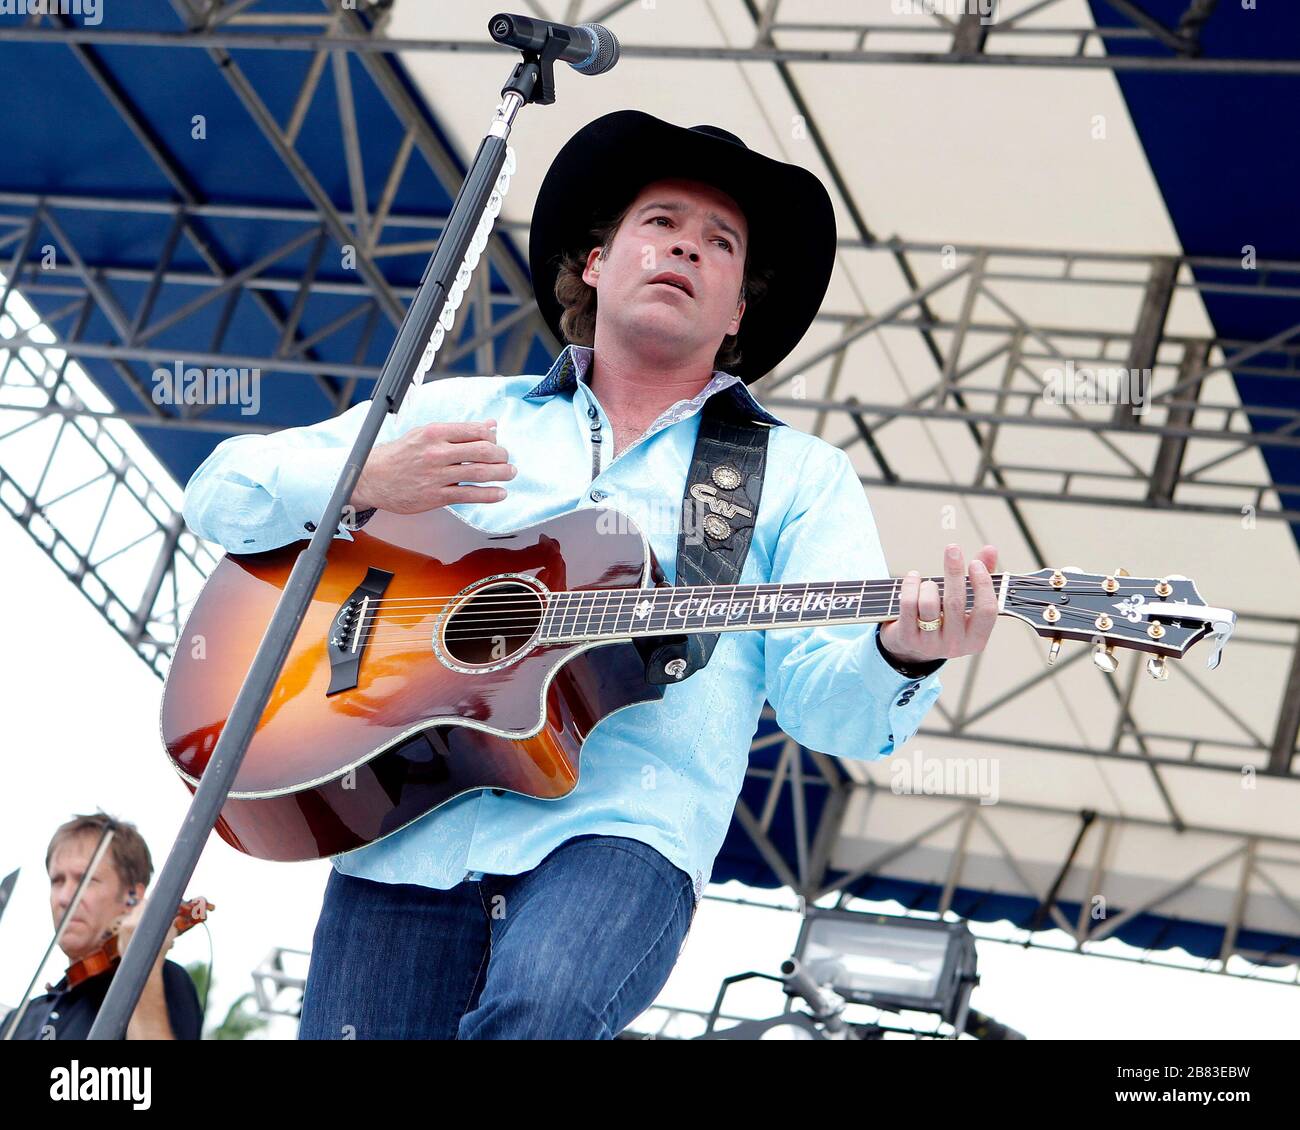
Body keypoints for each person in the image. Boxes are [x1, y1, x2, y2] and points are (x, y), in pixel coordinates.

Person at [182, 110, 999, 1040]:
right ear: (596, 264)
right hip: (405, 832)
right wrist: (361, 480)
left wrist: (902, 652)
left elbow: (828, 710)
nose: (686, 248)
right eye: (661, 224)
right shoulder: (465, 411)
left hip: (620, 832)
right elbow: (222, 492)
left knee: (548, 1008)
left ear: (738, 310)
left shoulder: (796, 475)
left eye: (719, 242)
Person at [1, 813, 203, 1040]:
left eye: (86, 880)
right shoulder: (20, 1019)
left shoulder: (161, 980)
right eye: (57, 881)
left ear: (132, 897)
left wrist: (142, 964)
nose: (65, 897)